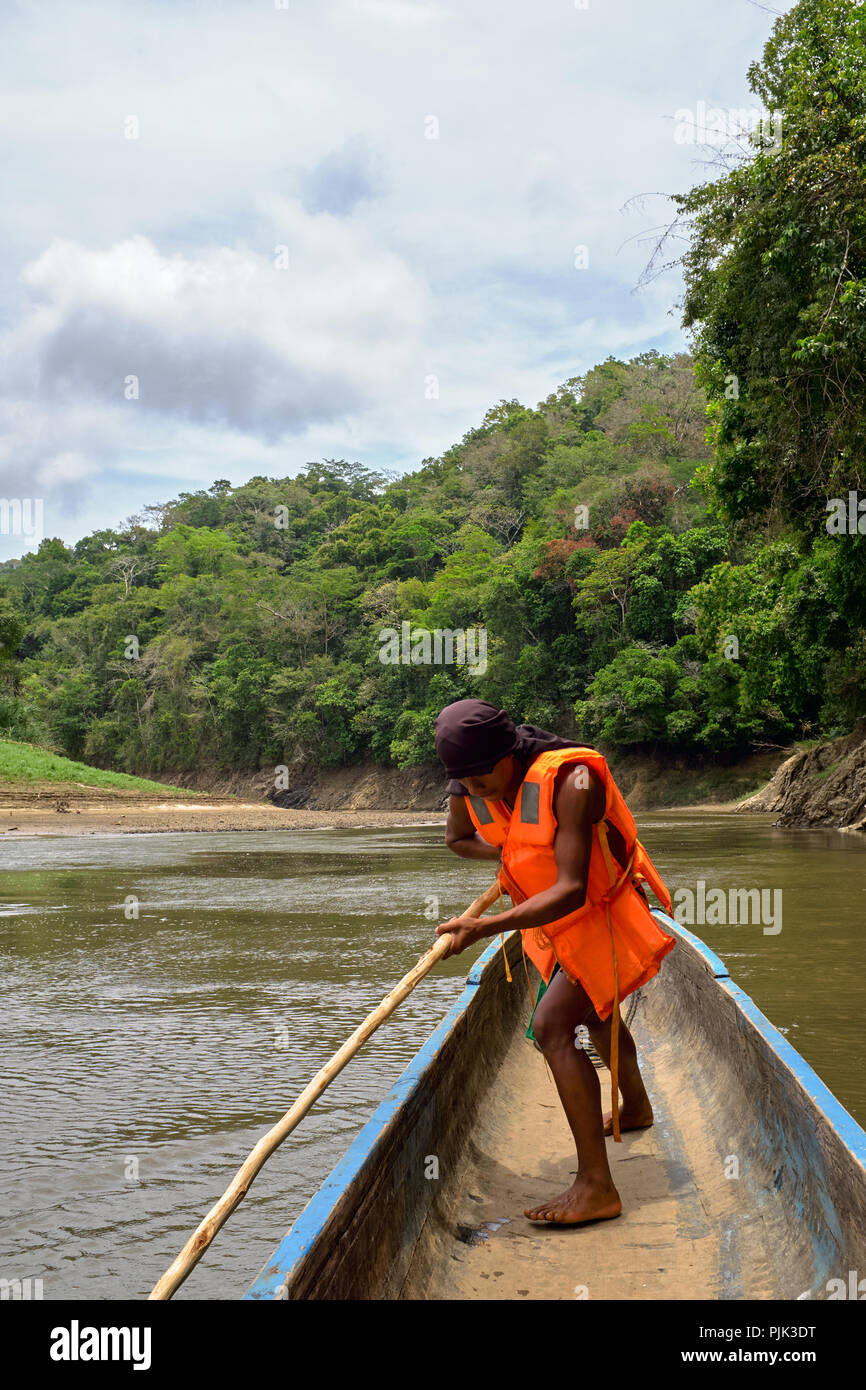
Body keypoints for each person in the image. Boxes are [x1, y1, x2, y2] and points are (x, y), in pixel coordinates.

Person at [433, 698, 675, 1226]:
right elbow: (457, 838)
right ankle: (635, 1107)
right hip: (553, 923)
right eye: (463, 783)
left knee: (553, 1025)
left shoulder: (572, 782)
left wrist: (483, 927)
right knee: (597, 1010)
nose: (472, 791)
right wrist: (515, 851)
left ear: (508, 754)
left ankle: (596, 1186)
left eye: (480, 779)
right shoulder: (468, 780)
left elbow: (568, 888)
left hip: (603, 913)